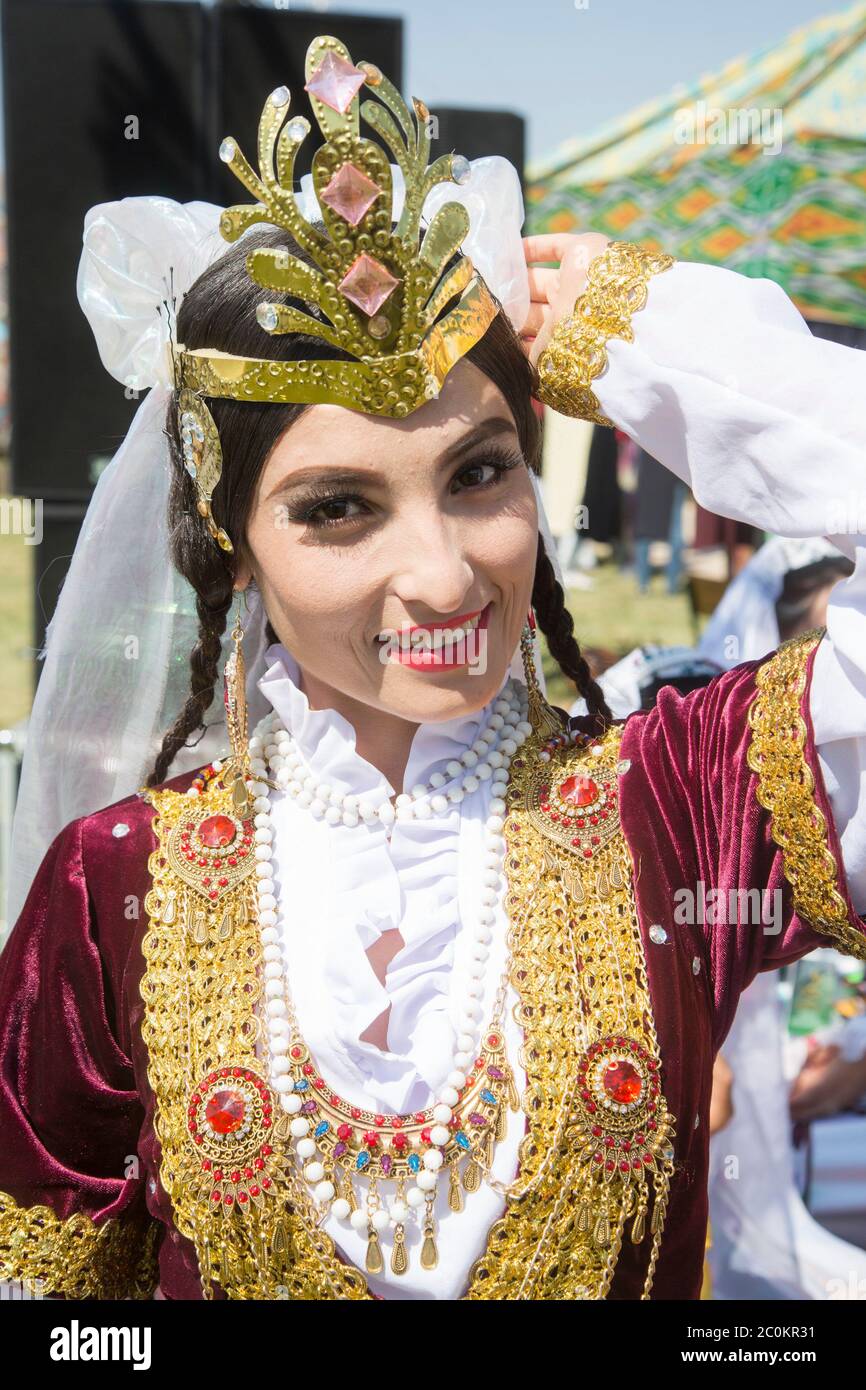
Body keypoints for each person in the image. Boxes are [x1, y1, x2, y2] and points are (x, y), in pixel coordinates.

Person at [1, 35, 865, 1303]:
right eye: (340, 508)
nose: (447, 576)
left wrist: (659, 341)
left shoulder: (682, 802)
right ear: (234, 551)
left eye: (478, 473)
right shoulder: (113, 886)